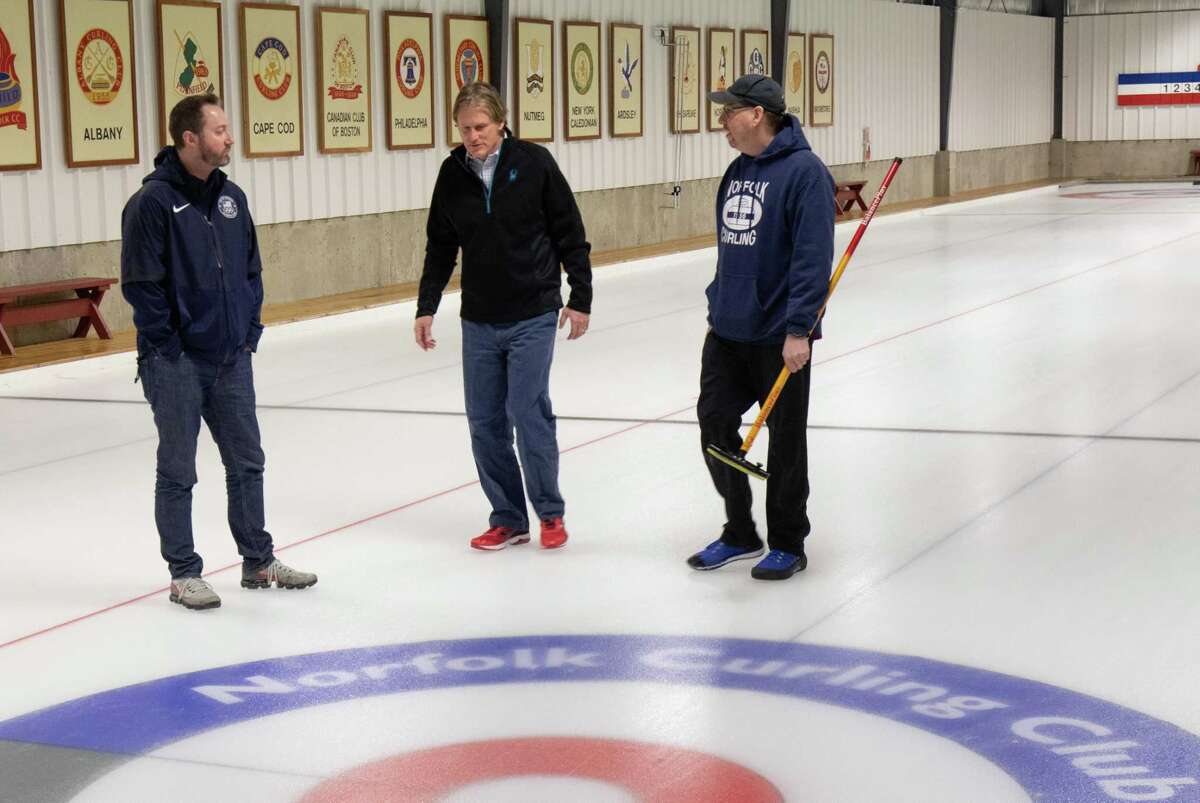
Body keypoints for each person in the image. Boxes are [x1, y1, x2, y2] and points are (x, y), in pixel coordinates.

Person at [121, 94, 317, 610]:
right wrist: (169, 346)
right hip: (177, 363)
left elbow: (251, 269)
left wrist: (248, 331)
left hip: (232, 358)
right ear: (190, 139)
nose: (230, 139)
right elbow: (142, 286)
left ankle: (258, 560)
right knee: (179, 470)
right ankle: (184, 573)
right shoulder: (153, 204)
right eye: (220, 130)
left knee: (247, 462)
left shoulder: (232, 198)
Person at [415, 82, 592, 552]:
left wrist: (581, 296)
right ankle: (509, 518)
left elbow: (570, 231)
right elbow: (440, 246)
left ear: (501, 122)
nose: (472, 137)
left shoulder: (534, 164)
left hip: (533, 311)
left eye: (480, 127)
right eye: (464, 129)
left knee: (527, 410)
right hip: (479, 318)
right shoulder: (452, 174)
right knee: (485, 422)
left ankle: (550, 513)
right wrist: (426, 306)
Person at [687, 75, 835, 581]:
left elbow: (813, 260)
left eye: (728, 112)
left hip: (779, 336)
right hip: (728, 331)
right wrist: (717, 303)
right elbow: (730, 249)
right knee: (713, 426)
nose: (721, 122)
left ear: (756, 114)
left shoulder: (806, 174)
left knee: (786, 439)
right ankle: (739, 531)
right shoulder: (736, 171)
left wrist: (800, 330)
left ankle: (788, 541)